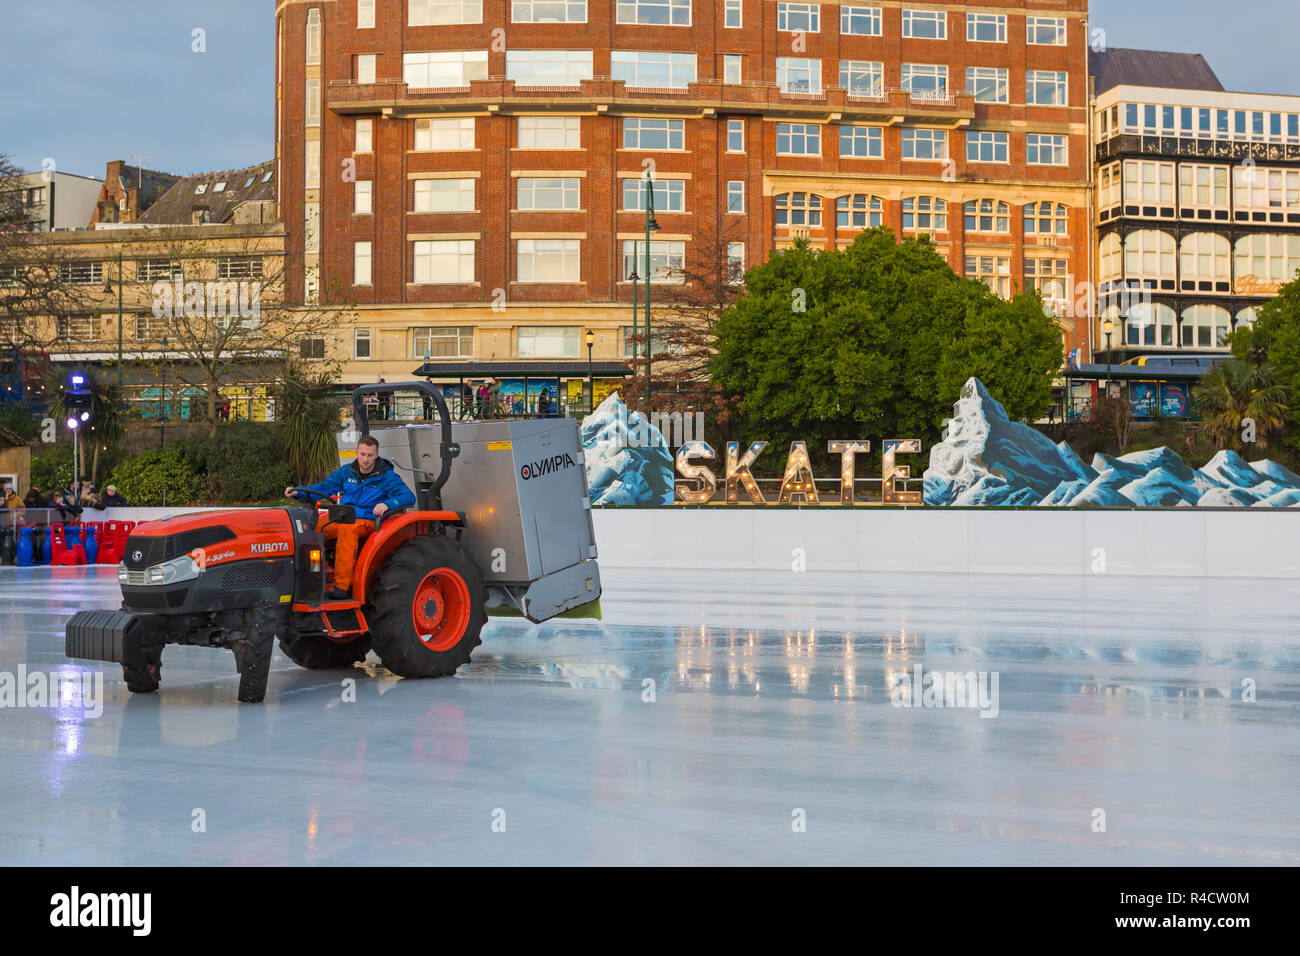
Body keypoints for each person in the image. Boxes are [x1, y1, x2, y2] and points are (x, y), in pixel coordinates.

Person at [285, 435, 416, 600]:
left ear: (376, 455)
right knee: (310, 527)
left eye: (369, 455)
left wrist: (388, 504)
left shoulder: (387, 477)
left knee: (348, 530)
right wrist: (300, 491)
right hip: (344, 515)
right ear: (357, 453)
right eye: (362, 454)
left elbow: (409, 497)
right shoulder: (347, 472)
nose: (366, 459)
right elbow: (325, 487)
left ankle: (342, 586)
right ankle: (308, 578)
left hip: (367, 520)